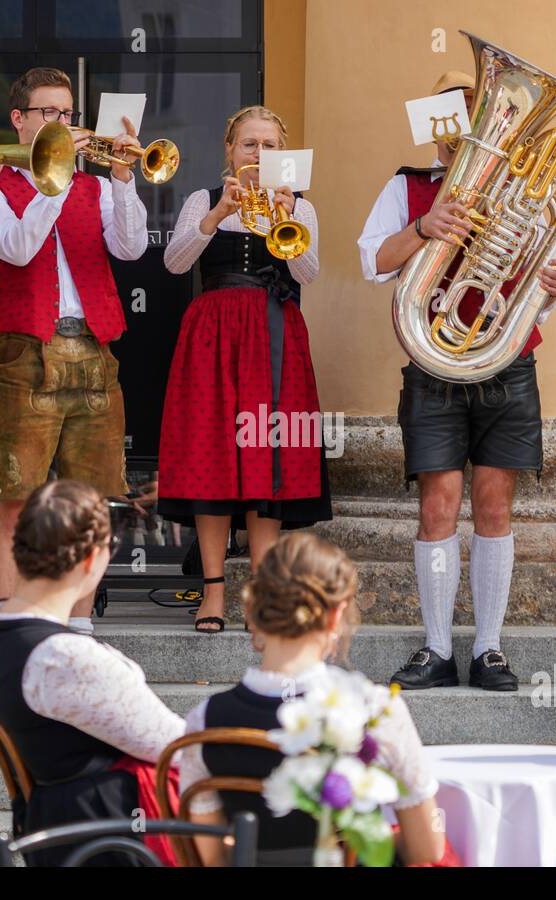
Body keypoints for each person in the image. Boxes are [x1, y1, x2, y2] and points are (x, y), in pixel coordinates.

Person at [357, 70, 556, 693]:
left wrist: (552, 287)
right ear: (438, 123)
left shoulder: (524, 187)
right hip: (434, 364)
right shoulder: (409, 186)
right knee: (437, 507)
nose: (468, 124)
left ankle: (488, 648)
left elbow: (538, 277)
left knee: (495, 506)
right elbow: (373, 260)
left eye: (477, 111)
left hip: (506, 360)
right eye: (455, 113)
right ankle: (434, 648)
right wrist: (424, 228)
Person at [0, 67, 148, 634]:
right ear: (19, 120)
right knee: (17, 498)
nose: (62, 123)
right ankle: (9, 627)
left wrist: (122, 179)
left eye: (67, 114)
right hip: (28, 351)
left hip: (94, 349)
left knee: (92, 504)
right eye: (48, 113)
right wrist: (56, 177)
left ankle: (77, 627)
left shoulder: (92, 188)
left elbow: (132, 245)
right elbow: (18, 249)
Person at [157, 106, 331, 634]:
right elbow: (175, 263)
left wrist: (288, 213)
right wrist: (216, 217)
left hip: (275, 335)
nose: (260, 154)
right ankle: (212, 591)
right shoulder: (201, 201)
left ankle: (261, 590)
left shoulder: (301, 207)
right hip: (213, 333)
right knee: (211, 452)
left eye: (271, 146)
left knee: (268, 456)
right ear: (230, 152)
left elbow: (308, 270)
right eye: (250, 145)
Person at [178, 532, 449, 866]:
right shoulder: (376, 709)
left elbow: (209, 858)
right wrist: (368, 839)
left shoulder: (204, 721)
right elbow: (427, 849)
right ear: (336, 615)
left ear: (254, 610)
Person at [0, 480, 186, 866]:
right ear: (90, 560)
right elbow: (175, 747)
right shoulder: (63, 657)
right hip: (108, 843)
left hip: (51, 833)